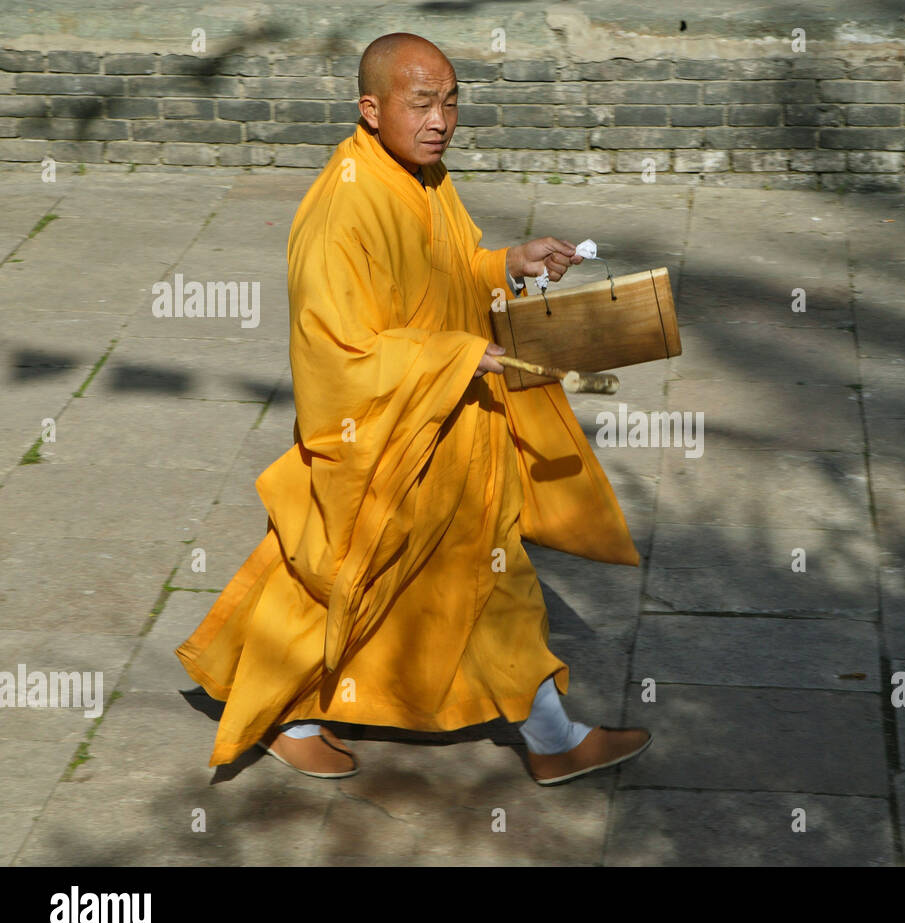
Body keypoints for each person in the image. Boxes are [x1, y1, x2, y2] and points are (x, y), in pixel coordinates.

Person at [175, 32, 651, 786]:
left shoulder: (420, 177)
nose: (441, 120)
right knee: (341, 577)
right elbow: (336, 348)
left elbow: (442, 270)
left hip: (451, 420)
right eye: (421, 102)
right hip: (388, 430)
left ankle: (552, 738)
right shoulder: (343, 209)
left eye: (451, 100)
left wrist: (506, 264)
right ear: (371, 109)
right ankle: (290, 715)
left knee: (487, 576)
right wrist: (455, 356)